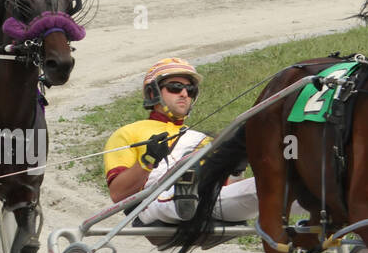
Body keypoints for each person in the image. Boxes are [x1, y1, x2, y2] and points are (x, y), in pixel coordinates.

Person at [103, 57, 262, 225]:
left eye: (190, 89)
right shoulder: (128, 133)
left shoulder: (202, 138)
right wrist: (148, 161)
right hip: (155, 201)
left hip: (211, 200)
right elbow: (118, 195)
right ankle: (184, 192)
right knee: (184, 181)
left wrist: (237, 167)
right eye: (175, 87)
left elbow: (228, 188)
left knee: (272, 187)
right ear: (152, 93)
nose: (184, 94)